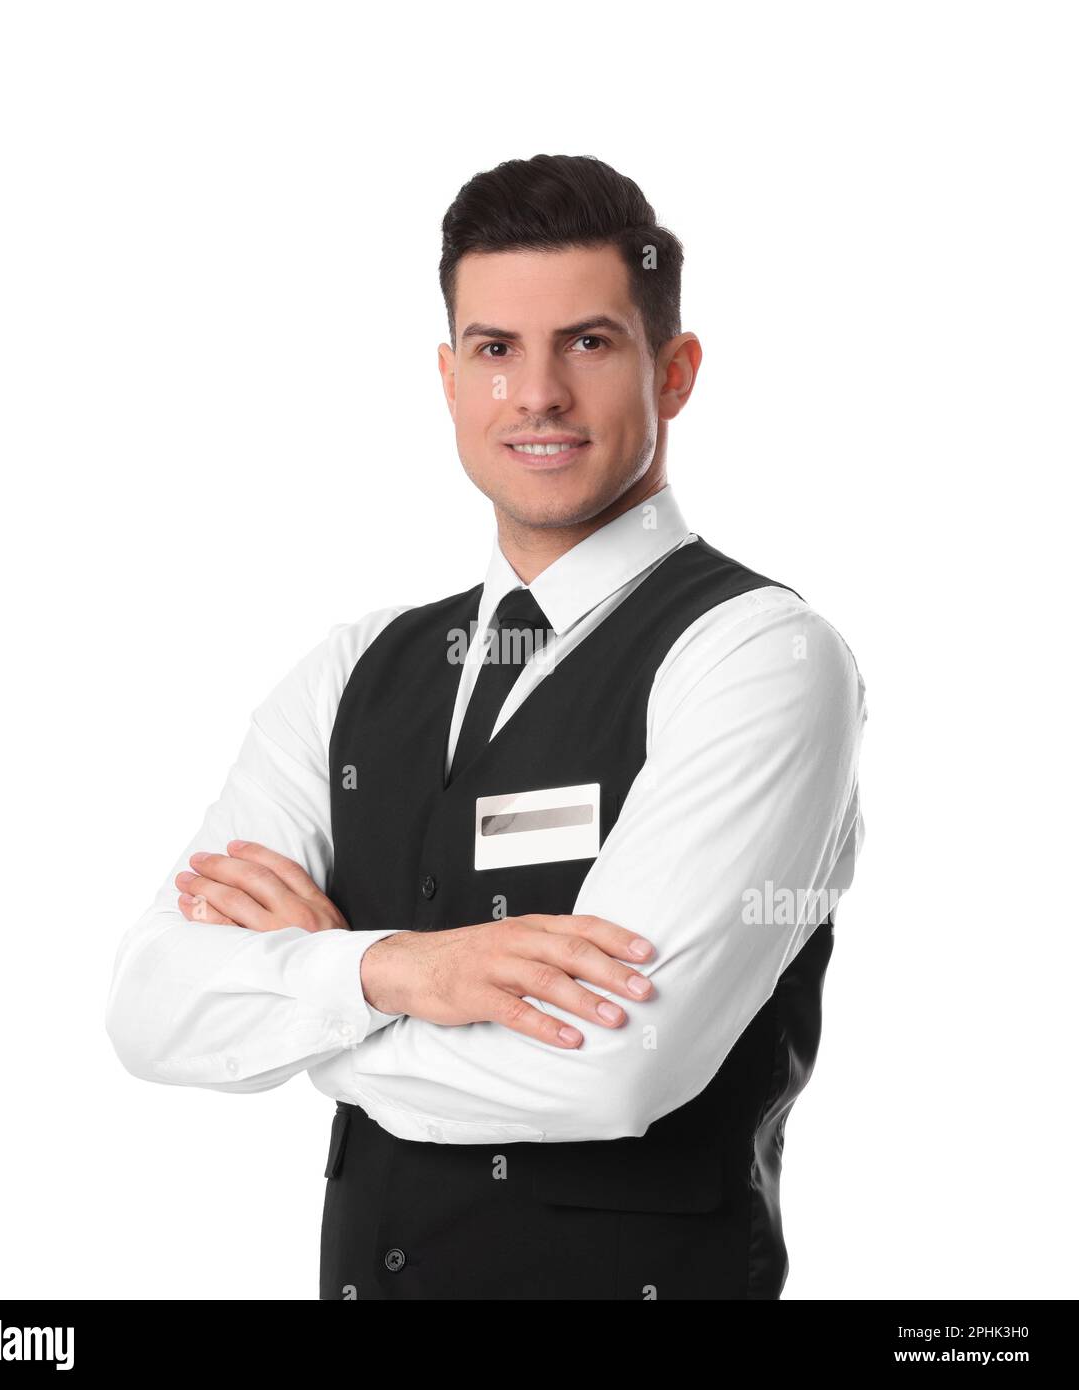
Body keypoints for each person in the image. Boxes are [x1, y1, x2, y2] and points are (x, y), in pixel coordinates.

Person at [105, 153, 867, 1300]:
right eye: (496, 349)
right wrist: (402, 968)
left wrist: (313, 1008)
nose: (539, 394)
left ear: (676, 370)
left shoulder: (756, 657)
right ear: (451, 376)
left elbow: (612, 1069)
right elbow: (151, 1005)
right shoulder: (354, 668)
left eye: (590, 343)